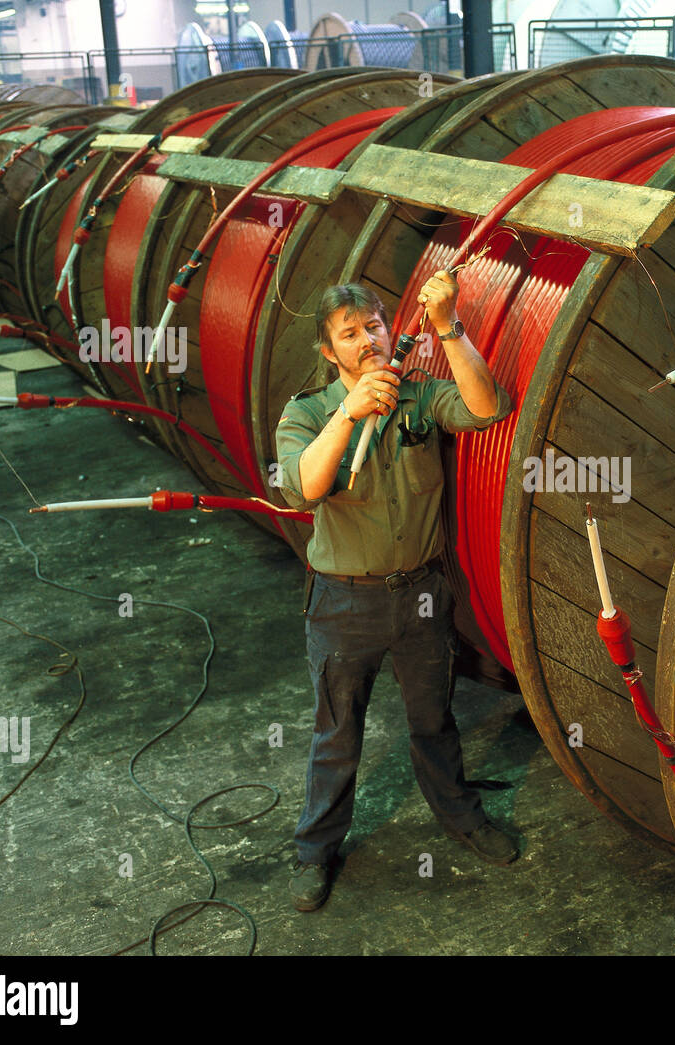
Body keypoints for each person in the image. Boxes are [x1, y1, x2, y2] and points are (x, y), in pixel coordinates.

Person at [274, 272, 516, 913]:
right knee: (337, 734)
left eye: (374, 325)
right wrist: (348, 414)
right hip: (343, 603)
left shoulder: (420, 396)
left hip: (423, 596)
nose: (366, 341)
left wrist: (448, 326)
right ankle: (314, 851)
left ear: (389, 327)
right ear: (329, 352)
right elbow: (304, 487)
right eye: (348, 335)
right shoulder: (305, 412)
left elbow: (489, 407)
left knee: (434, 719)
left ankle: (462, 820)